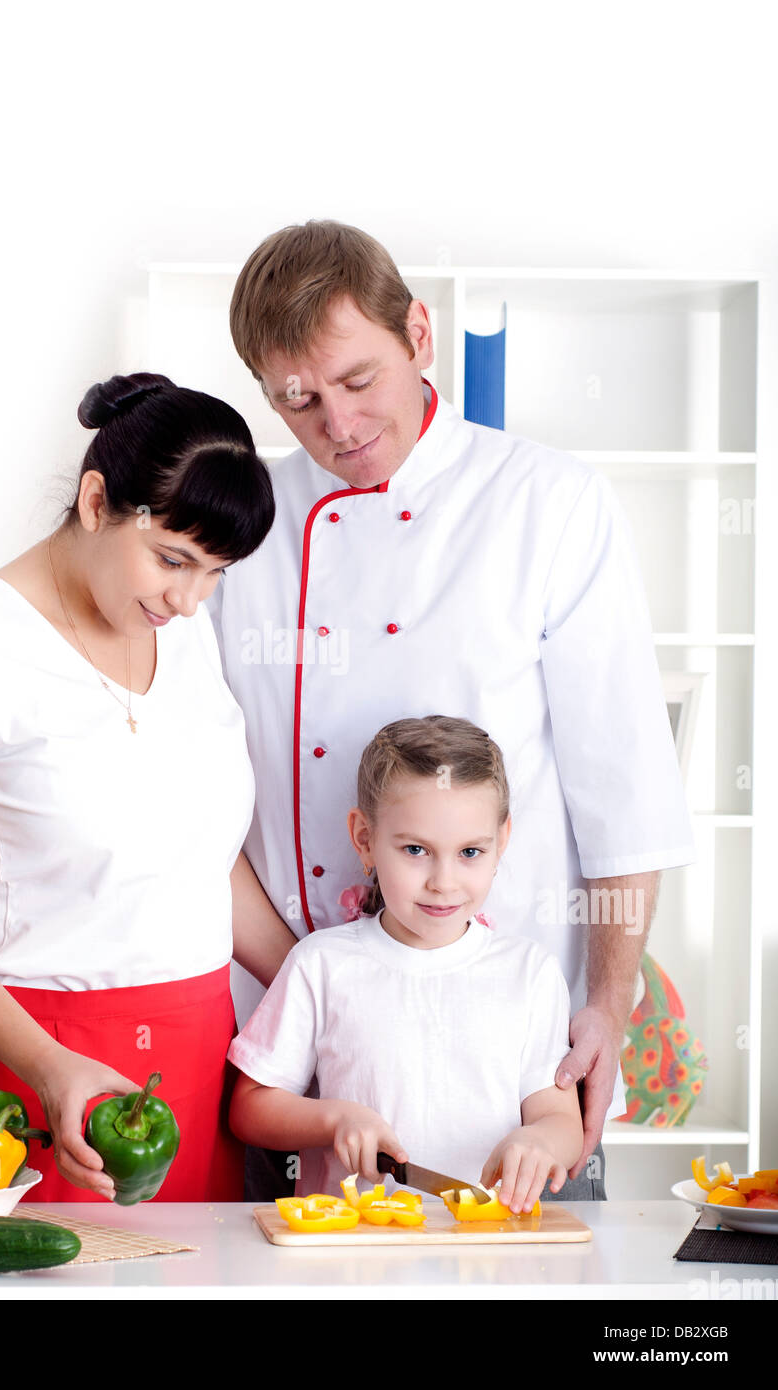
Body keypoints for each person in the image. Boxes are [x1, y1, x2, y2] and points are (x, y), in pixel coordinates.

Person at [211, 220, 695, 1198]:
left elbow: (624, 784)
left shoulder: (546, 502)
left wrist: (605, 1000)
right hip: (293, 1039)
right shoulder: (243, 527)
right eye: (295, 399)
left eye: (357, 381)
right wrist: (315, 973)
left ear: (419, 334)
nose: (336, 424)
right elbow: (199, 795)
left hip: (514, 1055)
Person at [0, 371, 298, 1202]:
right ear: (97, 502)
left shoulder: (180, 631)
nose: (188, 597)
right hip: (24, 1062)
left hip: (195, 1058)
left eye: (214, 572)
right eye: (172, 560)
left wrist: (327, 990)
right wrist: (51, 1066)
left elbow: (200, 855)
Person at [228, 717, 584, 1213]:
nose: (443, 881)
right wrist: (334, 1120)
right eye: (415, 850)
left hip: (486, 1249)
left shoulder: (530, 973)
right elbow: (249, 1108)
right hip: (351, 1250)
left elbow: (561, 1118)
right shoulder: (321, 963)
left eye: (470, 852)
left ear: (502, 841)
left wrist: (542, 1142)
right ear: (365, 838)